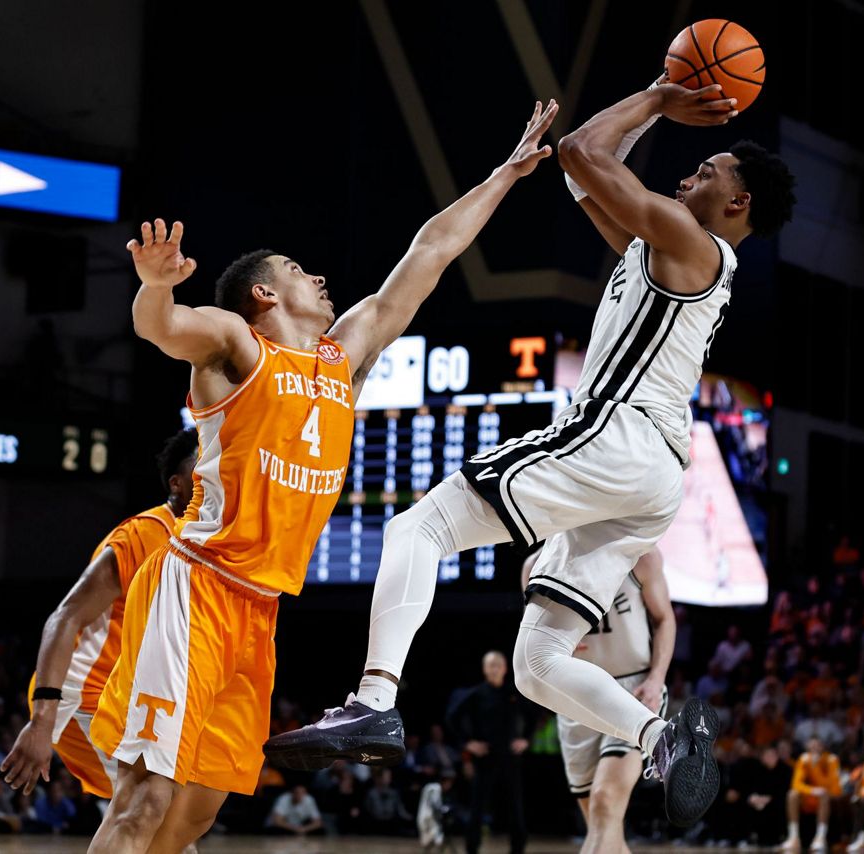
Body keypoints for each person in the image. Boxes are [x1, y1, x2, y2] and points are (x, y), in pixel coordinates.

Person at [266, 73, 797, 833]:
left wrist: (657, 96)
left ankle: (374, 701)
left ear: (737, 203)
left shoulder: (692, 241)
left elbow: (582, 150)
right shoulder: (661, 249)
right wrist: (611, 134)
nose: (688, 175)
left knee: (420, 526)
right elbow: (585, 175)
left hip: (616, 436)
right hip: (651, 477)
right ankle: (663, 740)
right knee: (539, 663)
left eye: (706, 171)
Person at [86, 99, 560, 854]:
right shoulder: (237, 346)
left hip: (260, 609)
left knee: (197, 812)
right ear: (266, 295)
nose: (320, 276)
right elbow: (163, 327)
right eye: (299, 271)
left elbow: (431, 252)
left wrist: (505, 174)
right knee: (146, 798)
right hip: (197, 585)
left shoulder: (345, 356)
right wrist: (152, 284)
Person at [1, 429, 198, 799]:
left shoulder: (195, 544)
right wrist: (42, 721)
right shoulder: (146, 533)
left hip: (127, 702)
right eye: (201, 466)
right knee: (150, 807)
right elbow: (65, 617)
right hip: (83, 694)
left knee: (170, 815)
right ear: (176, 483)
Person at [526, 546, 673, 854]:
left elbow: (664, 619)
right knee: (603, 824)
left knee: (605, 802)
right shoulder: (535, 566)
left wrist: (656, 678)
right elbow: (535, 643)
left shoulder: (640, 555)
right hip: (575, 694)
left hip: (633, 688)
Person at [447, 651, 532, 854]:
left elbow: (533, 714)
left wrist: (526, 739)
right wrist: (468, 743)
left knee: (515, 804)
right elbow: (452, 717)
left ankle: (518, 848)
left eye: (498, 665)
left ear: (505, 668)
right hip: (485, 757)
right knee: (478, 805)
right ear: (484, 669)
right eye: (490, 665)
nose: (494, 669)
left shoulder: (514, 693)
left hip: (510, 756)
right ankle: (472, 847)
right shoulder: (476, 694)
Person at [780, 736, 844, 853]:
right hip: (811, 797)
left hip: (828, 797)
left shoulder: (832, 759)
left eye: (818, 745)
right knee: (792, 794)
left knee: (824, 795)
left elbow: (835, 788)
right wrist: (812, 791)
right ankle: (794, 837)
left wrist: (817, 767)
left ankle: (820, 838)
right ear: (807, 747)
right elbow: (796, 784)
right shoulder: (804, 759)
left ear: (823, 747)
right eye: (812, 746)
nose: (815, 748)